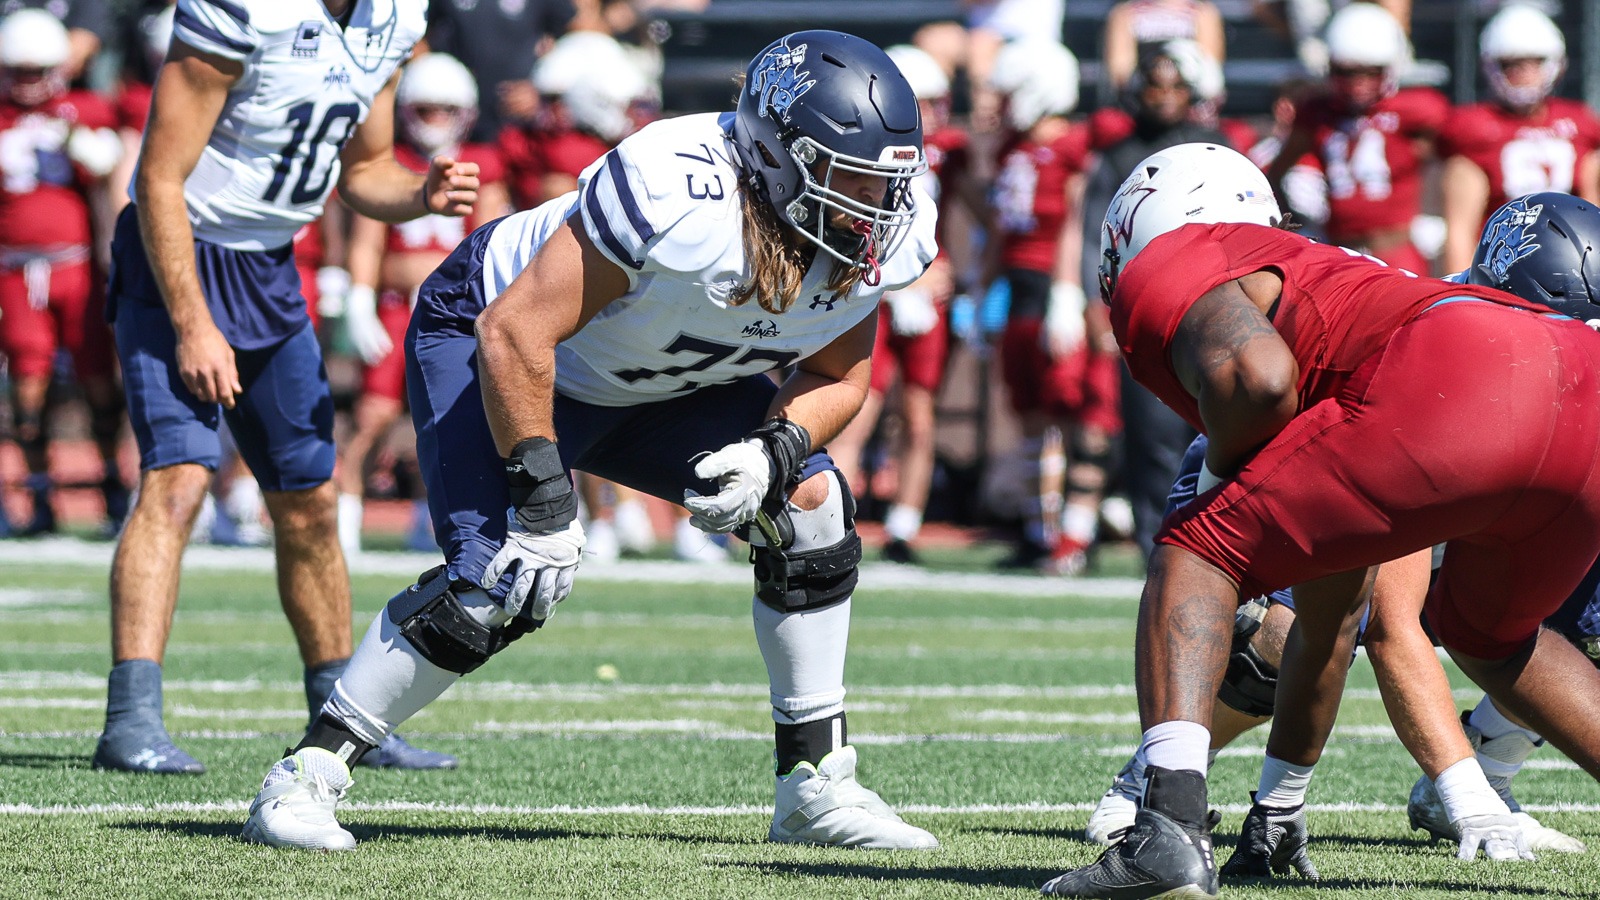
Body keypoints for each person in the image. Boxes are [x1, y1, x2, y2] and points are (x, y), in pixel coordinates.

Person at [239, 30, 941, 853]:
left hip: (656, 377)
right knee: (503, 575)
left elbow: (841, 375)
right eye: (852, 177)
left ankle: (815, 786)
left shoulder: (878, 234)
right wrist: (542, 500)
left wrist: (772, 453)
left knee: (813, 508)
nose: (876, 207)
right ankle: (306, 775)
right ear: (775, 157)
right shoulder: (677, 189)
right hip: (505, 343)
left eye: (888, 182)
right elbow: (514, 332)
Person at [1042, 144, 1600, 898]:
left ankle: (1165, 831)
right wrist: (1280, 800)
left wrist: (1214, 487)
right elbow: (1332, 621)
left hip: (1462, 370)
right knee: (1491, 640)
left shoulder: (1182, 256)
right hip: (1577, 386)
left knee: (1194, 546)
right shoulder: (1344, 303)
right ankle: (1235, 809)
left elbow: (1262, 380)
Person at [95, 0, 477, 774]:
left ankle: (342, 711)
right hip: (180, 253)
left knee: (309, 498)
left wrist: (419, 195)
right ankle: (129, 720)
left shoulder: (393, 17)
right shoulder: (245, 10)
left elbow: (363, 169)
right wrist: (194, 323)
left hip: (269, 267)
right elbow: (159, 177)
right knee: (177, 480)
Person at [337, 52, 511, 559]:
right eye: (425, 109)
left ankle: (426, 517)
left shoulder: (482, 167)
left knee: (449, 420)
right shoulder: (391, 168)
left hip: (459, 315)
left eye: (444, 110)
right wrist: (359, 299)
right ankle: (345, 518)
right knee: (372, 416)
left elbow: (491, 238)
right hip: (396, 310)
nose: (434, 120)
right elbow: (367, 242)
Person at [1080, 39, 1228, 559]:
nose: (1163, 95)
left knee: (1222, 429)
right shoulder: (1119, 154)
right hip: (1147, 305)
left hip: (1214, 300)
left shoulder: (1218, 145)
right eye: (1154, 85)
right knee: (1151, 435)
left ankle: (1224, 549)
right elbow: (1095, 232)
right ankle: (1157, 550)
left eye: (1174, 85)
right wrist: (1093, 305)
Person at [829, 43, 973, 565]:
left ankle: (904, 526)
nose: (933, 113)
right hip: (875, 290)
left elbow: (987, 206)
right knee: (856, 406)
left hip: (925, 297)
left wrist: (969, 274)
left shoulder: (950, 152)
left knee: (918, 411)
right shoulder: (865, 149)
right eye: (923, 101)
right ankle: (831, 519)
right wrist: (894, 283)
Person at [986, 39, 1112, 576]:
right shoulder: (1011, 146)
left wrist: (1071, 292)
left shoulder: (1077, 146)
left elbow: (1082, 221)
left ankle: (1072, 538)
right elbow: (999, 224)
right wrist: (978, 285)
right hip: (1018, 289)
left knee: (1074, 414)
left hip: (1060, 289)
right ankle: (1041, 534)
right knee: (1032, 416)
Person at [0, 9, 128, 537]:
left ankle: (112, 491)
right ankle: (38, 495)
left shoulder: (84, 108)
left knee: (99, 384)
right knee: (28, 387)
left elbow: (110, 160)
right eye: (20, 71)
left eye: (38, 71)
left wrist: (76, 139)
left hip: (75, 267)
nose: (29, 82)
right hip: (15, 271)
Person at [1265, 2, 1447, 275]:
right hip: (1340, 249)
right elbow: (1277, 172)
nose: (1358, 83)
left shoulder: (1417, 109)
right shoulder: (1316, 113)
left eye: (1370, 72)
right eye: (1346, 72)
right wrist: (1297, 223)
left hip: (1397, 249)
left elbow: (1457, 159)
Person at [1437, 4, 1599, 275]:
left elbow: (1594, 212)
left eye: (1533, 63)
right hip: (1504, 260)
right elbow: (1460, 229)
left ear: (1555, 63)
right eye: (1511, 64)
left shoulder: (1580, 122)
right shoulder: (1474, 127)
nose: (1523, 73)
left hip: (1570, 261)